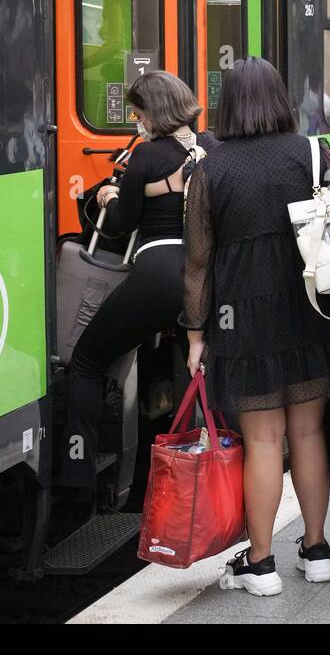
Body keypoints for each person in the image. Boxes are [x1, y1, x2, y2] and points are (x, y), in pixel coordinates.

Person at [182, 57, 330, 596]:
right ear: (280, 98)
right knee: (307, 432)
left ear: (228, 104)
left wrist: (195, 334)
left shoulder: (208, 168)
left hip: (243, 317)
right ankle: (317, 549)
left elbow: (197, 261)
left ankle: (261, 564)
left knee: (263, 442)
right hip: (310, 307)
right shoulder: (312, 151)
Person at [55, 72, 216, 519]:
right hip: (205, 280)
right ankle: (208, 482)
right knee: (203, 374)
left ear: (153, 112)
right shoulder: (211, 147)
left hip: (157, 275)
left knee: (87, 362)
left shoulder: (146, 156)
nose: (136, 120)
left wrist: (109, 196)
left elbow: (123, 222)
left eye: (138, 111)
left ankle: (76, 480)